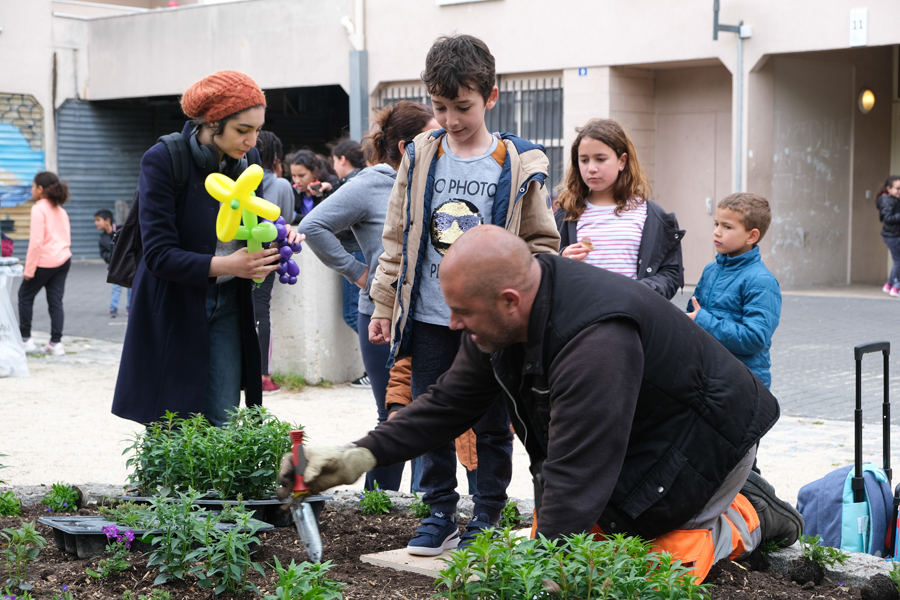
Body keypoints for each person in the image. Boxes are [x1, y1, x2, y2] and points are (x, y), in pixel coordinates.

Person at [280, 225, 803, 584]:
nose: (454, 325)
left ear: (508, 300)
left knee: (654, 567)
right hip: (637, 438)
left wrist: (539, 575)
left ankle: (750, 510)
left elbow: (578, 470)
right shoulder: (503, 319)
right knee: (575, 542)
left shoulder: (597, 341)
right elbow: (447, 404)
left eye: (462, 312)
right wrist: (358, 456)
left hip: (705, 443)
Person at [367, 34, 560, 556]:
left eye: (463, 107)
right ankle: (438, 512)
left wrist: (524, 308)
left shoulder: (517, 164)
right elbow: (397, 238)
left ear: (491, 97)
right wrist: (385, 305)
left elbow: (542, 245)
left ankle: (489, 513)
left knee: (492, 421)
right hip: (429, 318)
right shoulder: (420, 155)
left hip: (490, 326)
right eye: (440, 106)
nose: (451, 118)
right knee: (429, 417)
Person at [111, 70, 303, 426]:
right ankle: (168, 487)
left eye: (257, 130)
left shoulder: (250, 161)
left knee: (222, 422)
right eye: (242, 130)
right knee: (172, 426)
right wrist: (228, 265)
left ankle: (215, 487)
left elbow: (253, 224)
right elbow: (157, 255)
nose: (251, 140)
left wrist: (280, 234)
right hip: (174, 305)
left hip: (231, 306)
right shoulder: (164, 159)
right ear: (211, 123)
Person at [300, 101, 440, 491]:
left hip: (429, 314)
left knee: (429, 418)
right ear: (405, 146)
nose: (443, 140)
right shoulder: (373, 181)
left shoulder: (434, 178)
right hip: (381, 316)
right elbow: (313, 227)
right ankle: (380, 506)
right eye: (433, 134)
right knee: (395, 414)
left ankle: (423, 505)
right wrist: (359, 273)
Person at [556, 118, 684, 299]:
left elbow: (671, 273)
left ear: (622, 161)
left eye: (600, 159)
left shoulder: (654, 216)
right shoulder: (565, 214)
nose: (591, 168)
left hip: (634, 317)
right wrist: (560, 260)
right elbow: (541, 267)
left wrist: (641, 292)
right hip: (582, 318)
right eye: (584, 160)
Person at [686, 193, 781, 389]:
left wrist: (703, 321)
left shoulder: (761, 280)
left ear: (752, 236)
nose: (717, 232)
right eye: (716, 224)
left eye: (727, 227)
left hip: (741, 382)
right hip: (706, 375)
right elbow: (693, 315)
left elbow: (755, 338)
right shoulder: (710, 271)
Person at [253, 131, 296, 395]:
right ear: (276, 157)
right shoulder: (280, 185)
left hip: (238, 253)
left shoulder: (240, 181)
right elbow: (288, 218)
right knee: (261, 311)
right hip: (268, 255)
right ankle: (263, 376)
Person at [18, 171, 72, 356]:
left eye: (33, 186)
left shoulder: (38, 209)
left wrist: (29, 269)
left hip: (44, 262)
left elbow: (36, 243)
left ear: (40, 189)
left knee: (24, 296)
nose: (32, 190)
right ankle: (55, 344)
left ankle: (26, 340)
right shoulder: (61, 210)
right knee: (55, 301)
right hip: (63, 260)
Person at [94, 209, 131, 318]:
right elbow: (103, 254)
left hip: (128, 264)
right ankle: (113, 308)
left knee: (131, 287)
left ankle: (130, 307)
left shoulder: (121, 230)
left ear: (107, 220)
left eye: (98, 220)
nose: (96, 223)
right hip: (116, 266)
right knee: (116, 286)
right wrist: (112, 258)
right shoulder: (102, 238)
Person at [287, 150, 336, 224]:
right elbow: (289, 216)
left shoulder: (331, 183)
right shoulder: (293, 186)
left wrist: (328, 190)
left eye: (301, 175)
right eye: (293, 175)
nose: (297, 181)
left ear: (315, 171)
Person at [876, 175, 900, 297]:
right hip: (892, 236)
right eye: (897, 188)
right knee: (899, 262)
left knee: (898, 261)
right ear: (889, 189)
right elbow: (887, 218)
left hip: (893, 235)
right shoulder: (887, 201)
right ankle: (896, 288)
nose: (899, 191)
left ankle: (889, 285)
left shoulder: (893, 199)